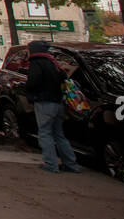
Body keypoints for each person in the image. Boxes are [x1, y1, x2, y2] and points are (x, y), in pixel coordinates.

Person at [25, 40, 82, 174]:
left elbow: (34, 81)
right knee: (59, 134)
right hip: (58, 102)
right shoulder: (53, 62)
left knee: (45, 133)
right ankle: (71, 164)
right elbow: (64, 77)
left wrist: (28, 88)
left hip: (44, 102)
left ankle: (51, 164)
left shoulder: (36, 62)